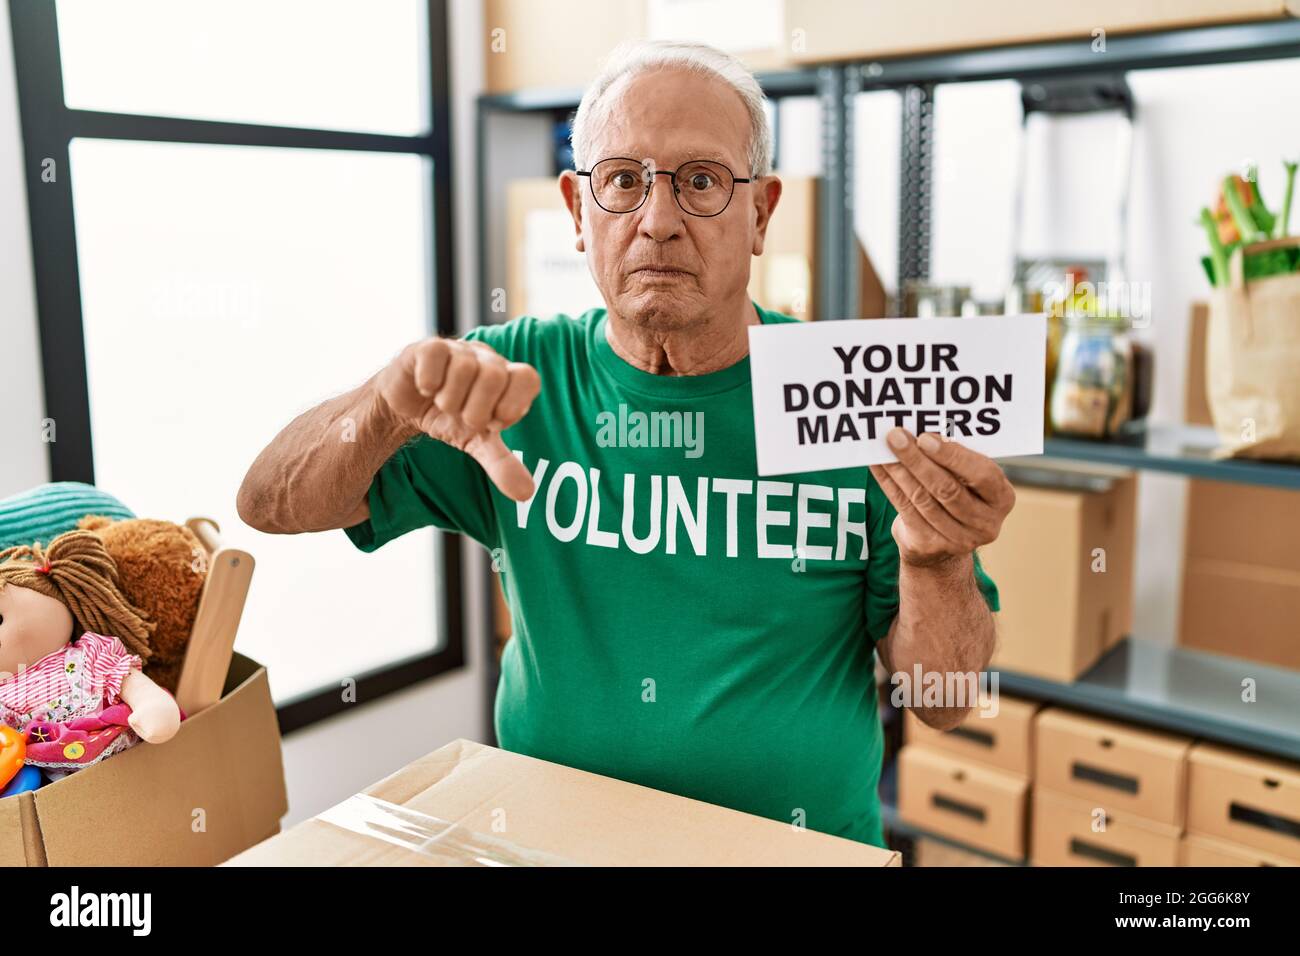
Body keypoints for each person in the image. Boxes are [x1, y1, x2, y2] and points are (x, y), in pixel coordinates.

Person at [237, 40, 1014, 848]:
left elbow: (947, 701)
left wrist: (937, 560)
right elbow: (267, 505)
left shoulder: (850, 397)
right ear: (578, 211)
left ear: (761, 213)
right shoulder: (507, 383)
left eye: (702, 181)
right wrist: (384, 407)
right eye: (622, 181)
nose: (659, 221)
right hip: (550, 846)